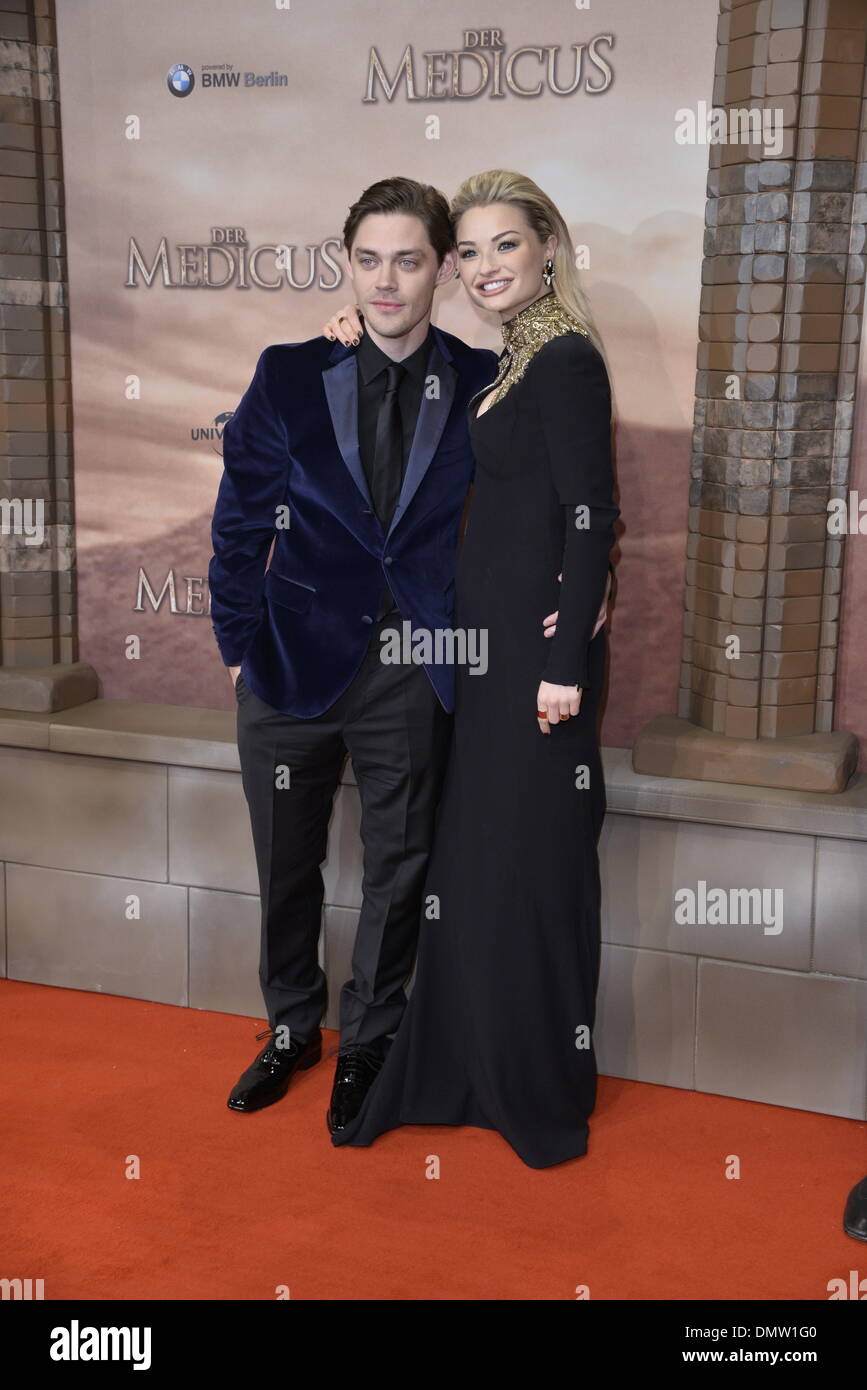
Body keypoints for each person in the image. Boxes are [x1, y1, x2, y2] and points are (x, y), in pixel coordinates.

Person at [207, 176, 597, 1131]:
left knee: (397, 871)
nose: (386, 282)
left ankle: (372, 1036)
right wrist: (235, 644)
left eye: (411, 260)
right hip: (290, 671)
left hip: (416, 671)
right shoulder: (291, 371)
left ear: (443, 272)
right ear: (348, 265)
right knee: (285, 865)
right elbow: (237, 521)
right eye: (368, 260)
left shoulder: (483, 379)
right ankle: (292, 1025)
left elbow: (552, 492)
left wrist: (589, 590)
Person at [323, 169, 620, 1168]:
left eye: (507, 245)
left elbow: (592, 512)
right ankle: (480, 1061)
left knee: (528, 874)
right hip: (489, 671)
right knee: (483, 873)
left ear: (547, 249)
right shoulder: (508, 363)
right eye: (473, 250)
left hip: (541, 676)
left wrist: (567, 655)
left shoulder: (567, 361)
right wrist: (349, 333)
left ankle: (530, 1078)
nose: (486, 265)